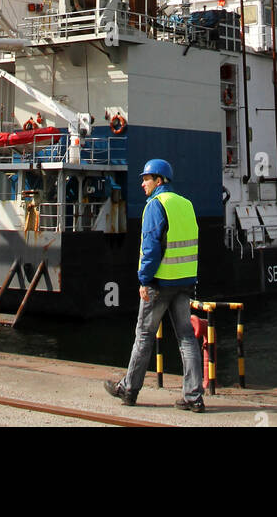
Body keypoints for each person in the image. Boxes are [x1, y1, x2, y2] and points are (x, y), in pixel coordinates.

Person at [104, 158, 205, 412]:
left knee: (144, 336)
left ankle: (129, 389)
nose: (142, 184)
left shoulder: (155, 206)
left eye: (146, 179)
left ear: (159, 181)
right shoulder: (187, 204)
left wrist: (144, 280)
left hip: (159, 284)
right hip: (185, 283)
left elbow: (150, 248)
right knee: (186, 338)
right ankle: (193, 397)